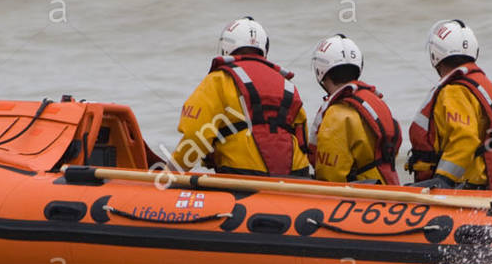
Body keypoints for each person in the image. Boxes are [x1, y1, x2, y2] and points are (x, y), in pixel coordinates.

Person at [172, 17, 310, 176]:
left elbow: (196, 136)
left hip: (242, 176)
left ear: (226, 47)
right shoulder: (288, 85)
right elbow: (303, 141)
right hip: (296, 175)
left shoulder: (219, 79)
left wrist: (171, 174)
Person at [406, 19, 492, 190]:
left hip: (460, 188)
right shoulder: (480, 85)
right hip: (479, 186)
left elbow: (465, 138)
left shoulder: (454, 91)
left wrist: (443, 179)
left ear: (435, 54)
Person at [308, 34, 402, 185]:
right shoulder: (376, 102)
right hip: (389, 186)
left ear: (320, 70)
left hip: (361, 196)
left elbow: (331, 174)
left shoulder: (337, 114)